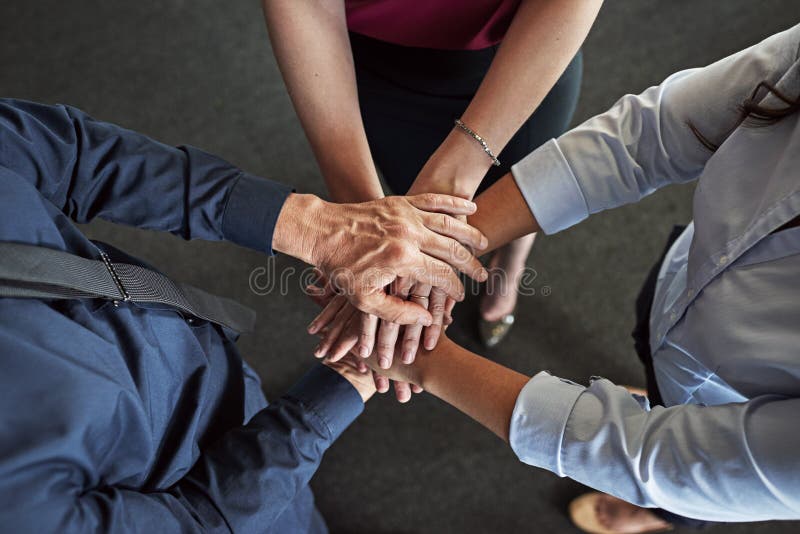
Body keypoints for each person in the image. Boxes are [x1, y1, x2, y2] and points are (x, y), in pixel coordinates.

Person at [313, 23, 800, 532]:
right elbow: (651, 135)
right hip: (677, 284)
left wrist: (422, 359)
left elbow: (668, 462)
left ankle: (654, 512)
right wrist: (433, 253)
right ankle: (647, 398)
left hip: (736, 416)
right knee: (652, 349)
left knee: (681, 482)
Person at [0, 98, 488, 532]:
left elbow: (78, 159)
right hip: (216, 495)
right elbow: (200, 520)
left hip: (215, 377)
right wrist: (333, 394)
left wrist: (312, 227)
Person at [262, 0, 603, 371]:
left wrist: (456, 171)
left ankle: (510, 266)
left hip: (520, 55)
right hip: (368, 61)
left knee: (522, 187)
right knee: (411, 195)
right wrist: (367, 227)